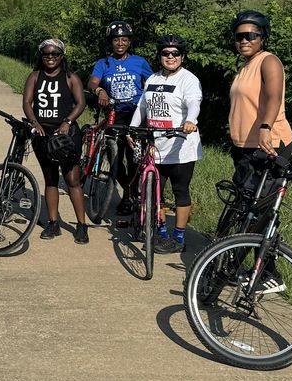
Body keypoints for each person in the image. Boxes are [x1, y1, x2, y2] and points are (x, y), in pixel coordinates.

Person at [228, 10, 292, 291]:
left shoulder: (268, 61)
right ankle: (252, 268)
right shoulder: (246, 66)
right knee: (247, 210)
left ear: (262, 37)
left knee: (259, 212)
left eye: (250, 36)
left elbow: (273, 96)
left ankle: (269, 275)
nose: (244, 40)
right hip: (245, 148)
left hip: (268, 145)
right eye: (240, 36)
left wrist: (265, 125)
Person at [130, 34, 202, 254]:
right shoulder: (152, 79)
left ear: (182, 56)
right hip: (156, 147)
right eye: (165, 53)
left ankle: (179, 237)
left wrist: (191, 120)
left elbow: (193, 102)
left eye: (175, 53)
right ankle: (161, 233)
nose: (170, 57)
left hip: (181, 148)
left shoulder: (188, 80)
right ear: (159, 55)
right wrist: (132, 129)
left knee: (180, 191)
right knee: (156, 194)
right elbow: (142, 107)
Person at [23, 39, 89, 244]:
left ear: (62, 56)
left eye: (55, 54)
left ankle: (81, 224)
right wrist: (35, 123)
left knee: (72, 179)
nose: (50, 57)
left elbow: (81, 103)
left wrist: (68, 121)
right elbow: (27, 102)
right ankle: (53, 222)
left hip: (66, 133)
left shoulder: (71, 77)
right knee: (50, 178)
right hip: (43, 133)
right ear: (41, 56)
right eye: (46, 54)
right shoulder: (34, 76)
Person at [86, 20, 152, 213]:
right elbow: (92, 82)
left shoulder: (140, 62)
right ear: (111, 42)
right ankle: (129, 191)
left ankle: (129, 197)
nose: (120, 43)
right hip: (116, 114)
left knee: (133, 159)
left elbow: (152, 83)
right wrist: (99, 90)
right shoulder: (103, 63)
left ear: (129, 42)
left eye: (124, 40)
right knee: (115, 158)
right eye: (116, 40)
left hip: (137, 114)